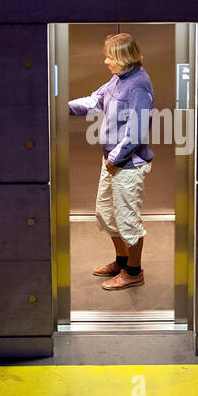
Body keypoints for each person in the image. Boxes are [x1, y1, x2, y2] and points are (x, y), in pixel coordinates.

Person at [68, 32, 155, 290]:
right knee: (106, 214)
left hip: (127, 165)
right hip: (112, 161)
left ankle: (134, 272)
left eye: (110, 57)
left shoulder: (138, 85)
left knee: (128, 221)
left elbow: (137, 131)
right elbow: (95, 101)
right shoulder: (119, 78)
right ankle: (121, 262)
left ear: (125, 57)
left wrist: (115, 159)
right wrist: (61, 105)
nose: (106, 61)